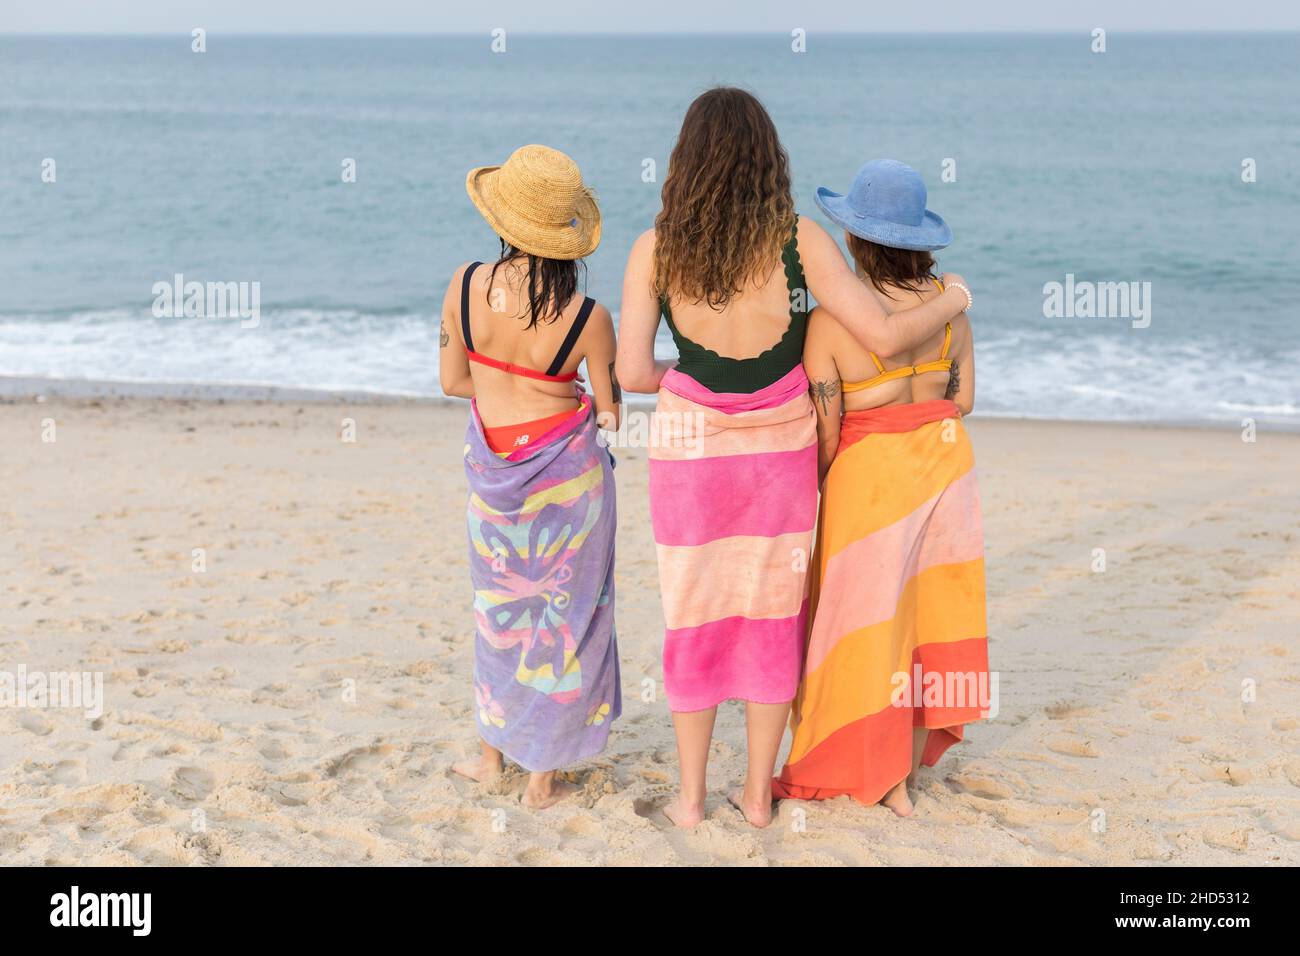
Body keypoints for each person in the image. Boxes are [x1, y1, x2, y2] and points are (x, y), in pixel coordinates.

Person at [616, 90, 973, 828]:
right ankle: (753, 797)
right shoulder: (802, 239)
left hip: (690, 455)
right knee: (773, 618)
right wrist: (955, 297)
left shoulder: (655, 249)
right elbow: (878, 329)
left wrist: (687, 380)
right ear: (765, 160)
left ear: (686, 160)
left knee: (694, 616)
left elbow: (630, 374)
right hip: (778, 449)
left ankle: (688, 800)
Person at [773, 159, 989, 817]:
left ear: (853, 241)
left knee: (862, 624)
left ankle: (878, 769)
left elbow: (828, 429)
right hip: (946, 467)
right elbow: (965, 399)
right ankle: (907, 770)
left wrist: (816, 490)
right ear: (921, 240)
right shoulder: (950, 310)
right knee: (929, 615)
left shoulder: (831, 323)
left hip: (868, 479)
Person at [440, 144, 622, 809]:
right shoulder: (589, 317)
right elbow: (610, 415)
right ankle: (542, 779)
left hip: (492, 471)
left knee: (497, 615)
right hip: (568, 482)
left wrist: (503, 382)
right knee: (568, 618)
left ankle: (491, 758)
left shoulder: (463, 284)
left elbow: (453, 379)